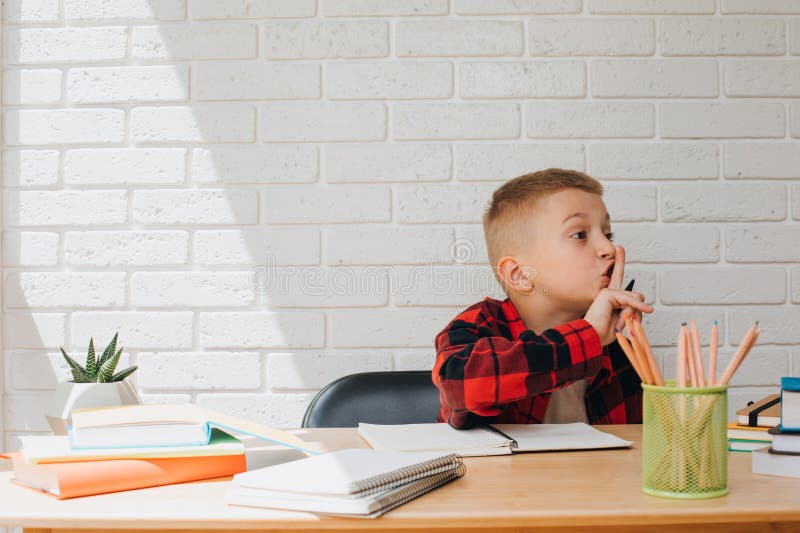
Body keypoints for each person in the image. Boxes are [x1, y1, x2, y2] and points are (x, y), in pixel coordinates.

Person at [433, 168, 654, 429]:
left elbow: (644, 443)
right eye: (580, 235)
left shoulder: (618, 351)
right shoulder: (479, 325)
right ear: (521, 275)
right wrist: (589, 335)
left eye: (608, 235)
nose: (609, 249)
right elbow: (459, 387)